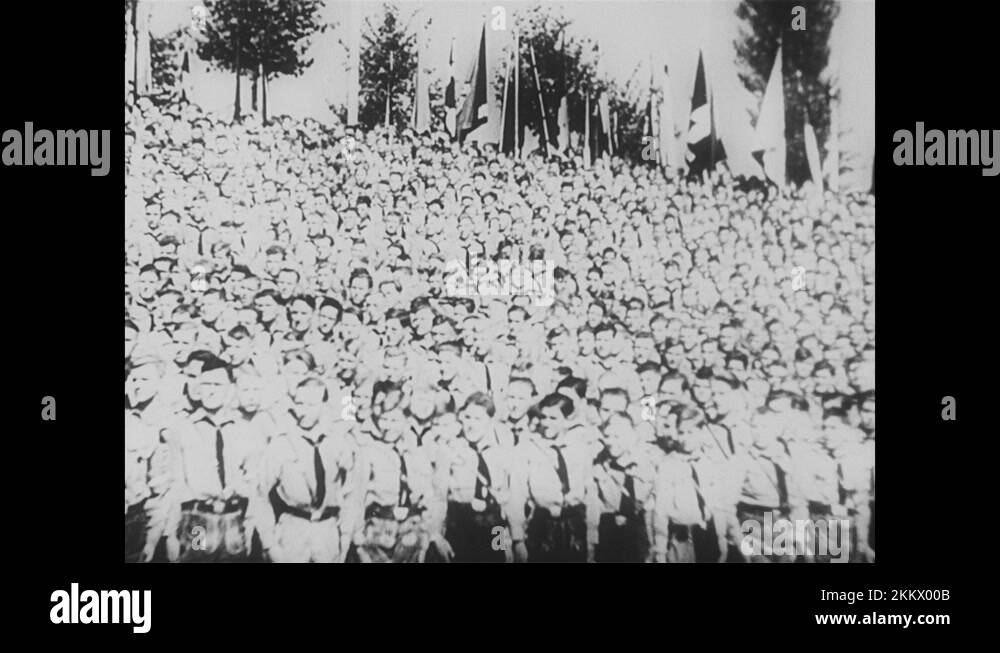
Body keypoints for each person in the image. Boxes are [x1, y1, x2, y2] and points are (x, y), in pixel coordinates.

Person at [258, 377, 364, 563]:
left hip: (328, 531)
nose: (303, 410)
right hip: (293, 529)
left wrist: (345, 536)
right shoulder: (280, 445)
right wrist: (270, 544)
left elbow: (350, 494)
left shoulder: (339, 444)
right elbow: (260, 496)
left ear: (324, 406)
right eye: (299, 403)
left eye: (310, 404)